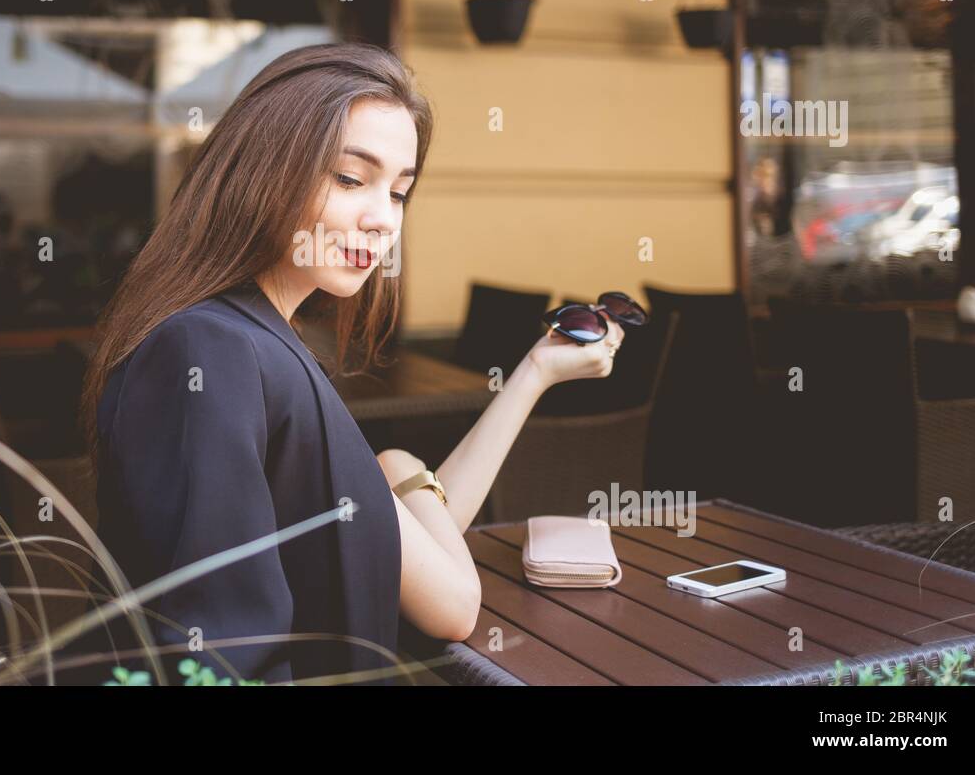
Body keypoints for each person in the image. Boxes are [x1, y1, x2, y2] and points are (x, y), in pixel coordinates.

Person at [78, 42, 624, 686]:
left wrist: (533, 374)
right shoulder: (213, 350)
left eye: (399, 192)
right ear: (262, 171)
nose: (382, 220)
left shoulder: (246, 336)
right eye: (349, 178)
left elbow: (399, 554)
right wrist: (403, 475)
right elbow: (447, 605)